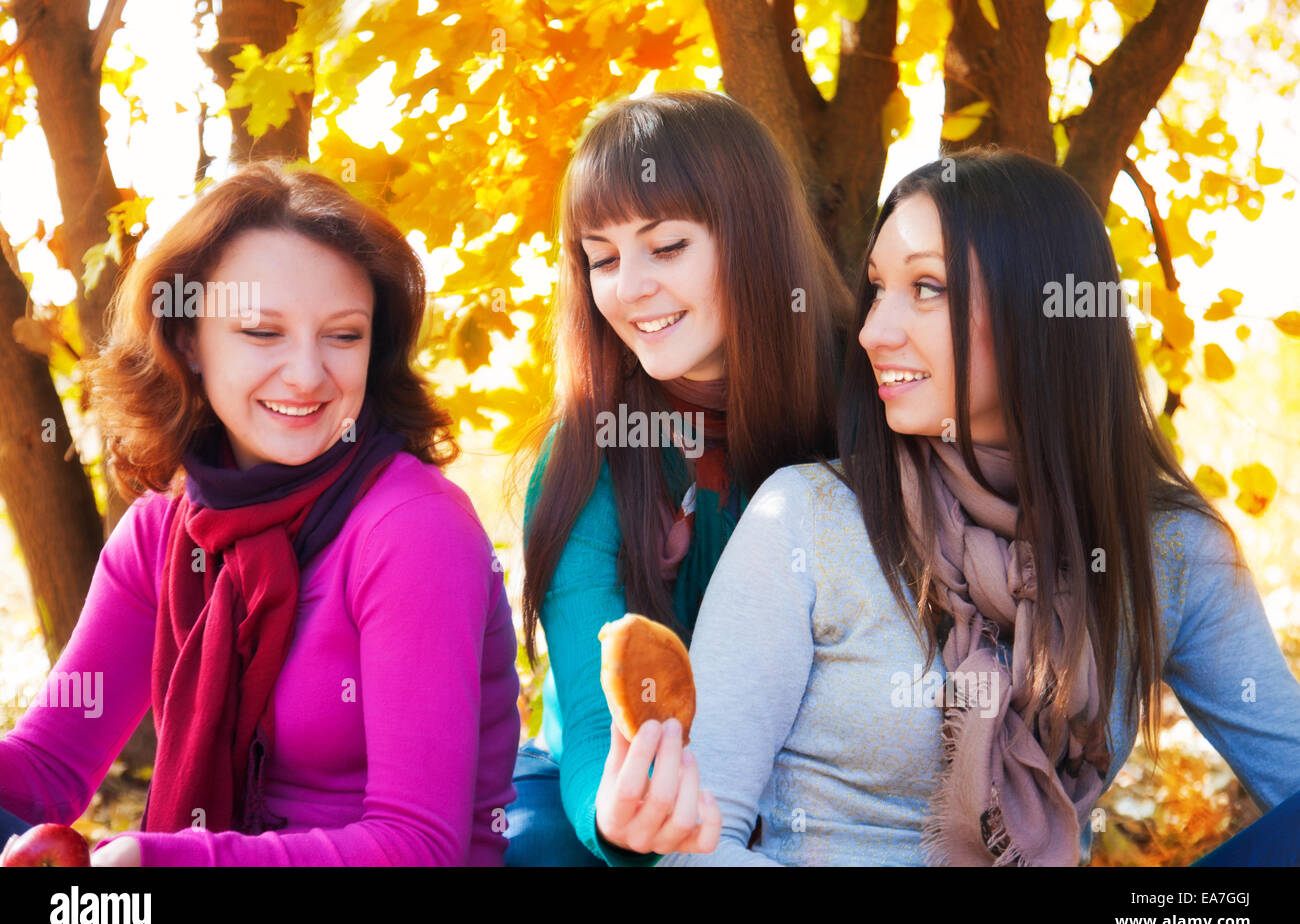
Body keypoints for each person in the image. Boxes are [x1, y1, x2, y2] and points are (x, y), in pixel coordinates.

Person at [659, 148, 1300, 866]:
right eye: (877, 289)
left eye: (927, 287)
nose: (874, 330)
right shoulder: (807, 518)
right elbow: (692, 845)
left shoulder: (1168, 548)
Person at [0, 162, 520, 866]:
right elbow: (44, 772)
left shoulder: (413, 529)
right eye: (262, 332)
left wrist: (164, 863)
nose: (307, 374)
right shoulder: (161, 533)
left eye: (343, 335)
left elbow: (419, 849)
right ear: (187, 341)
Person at [505, 89, 853, 865]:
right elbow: (596, 723)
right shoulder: (586, 459)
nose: (628, 288)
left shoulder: (866, 415)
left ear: (755, 240)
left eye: (666, 247)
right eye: (602, 258)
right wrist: (621, 818)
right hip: (612, 800)